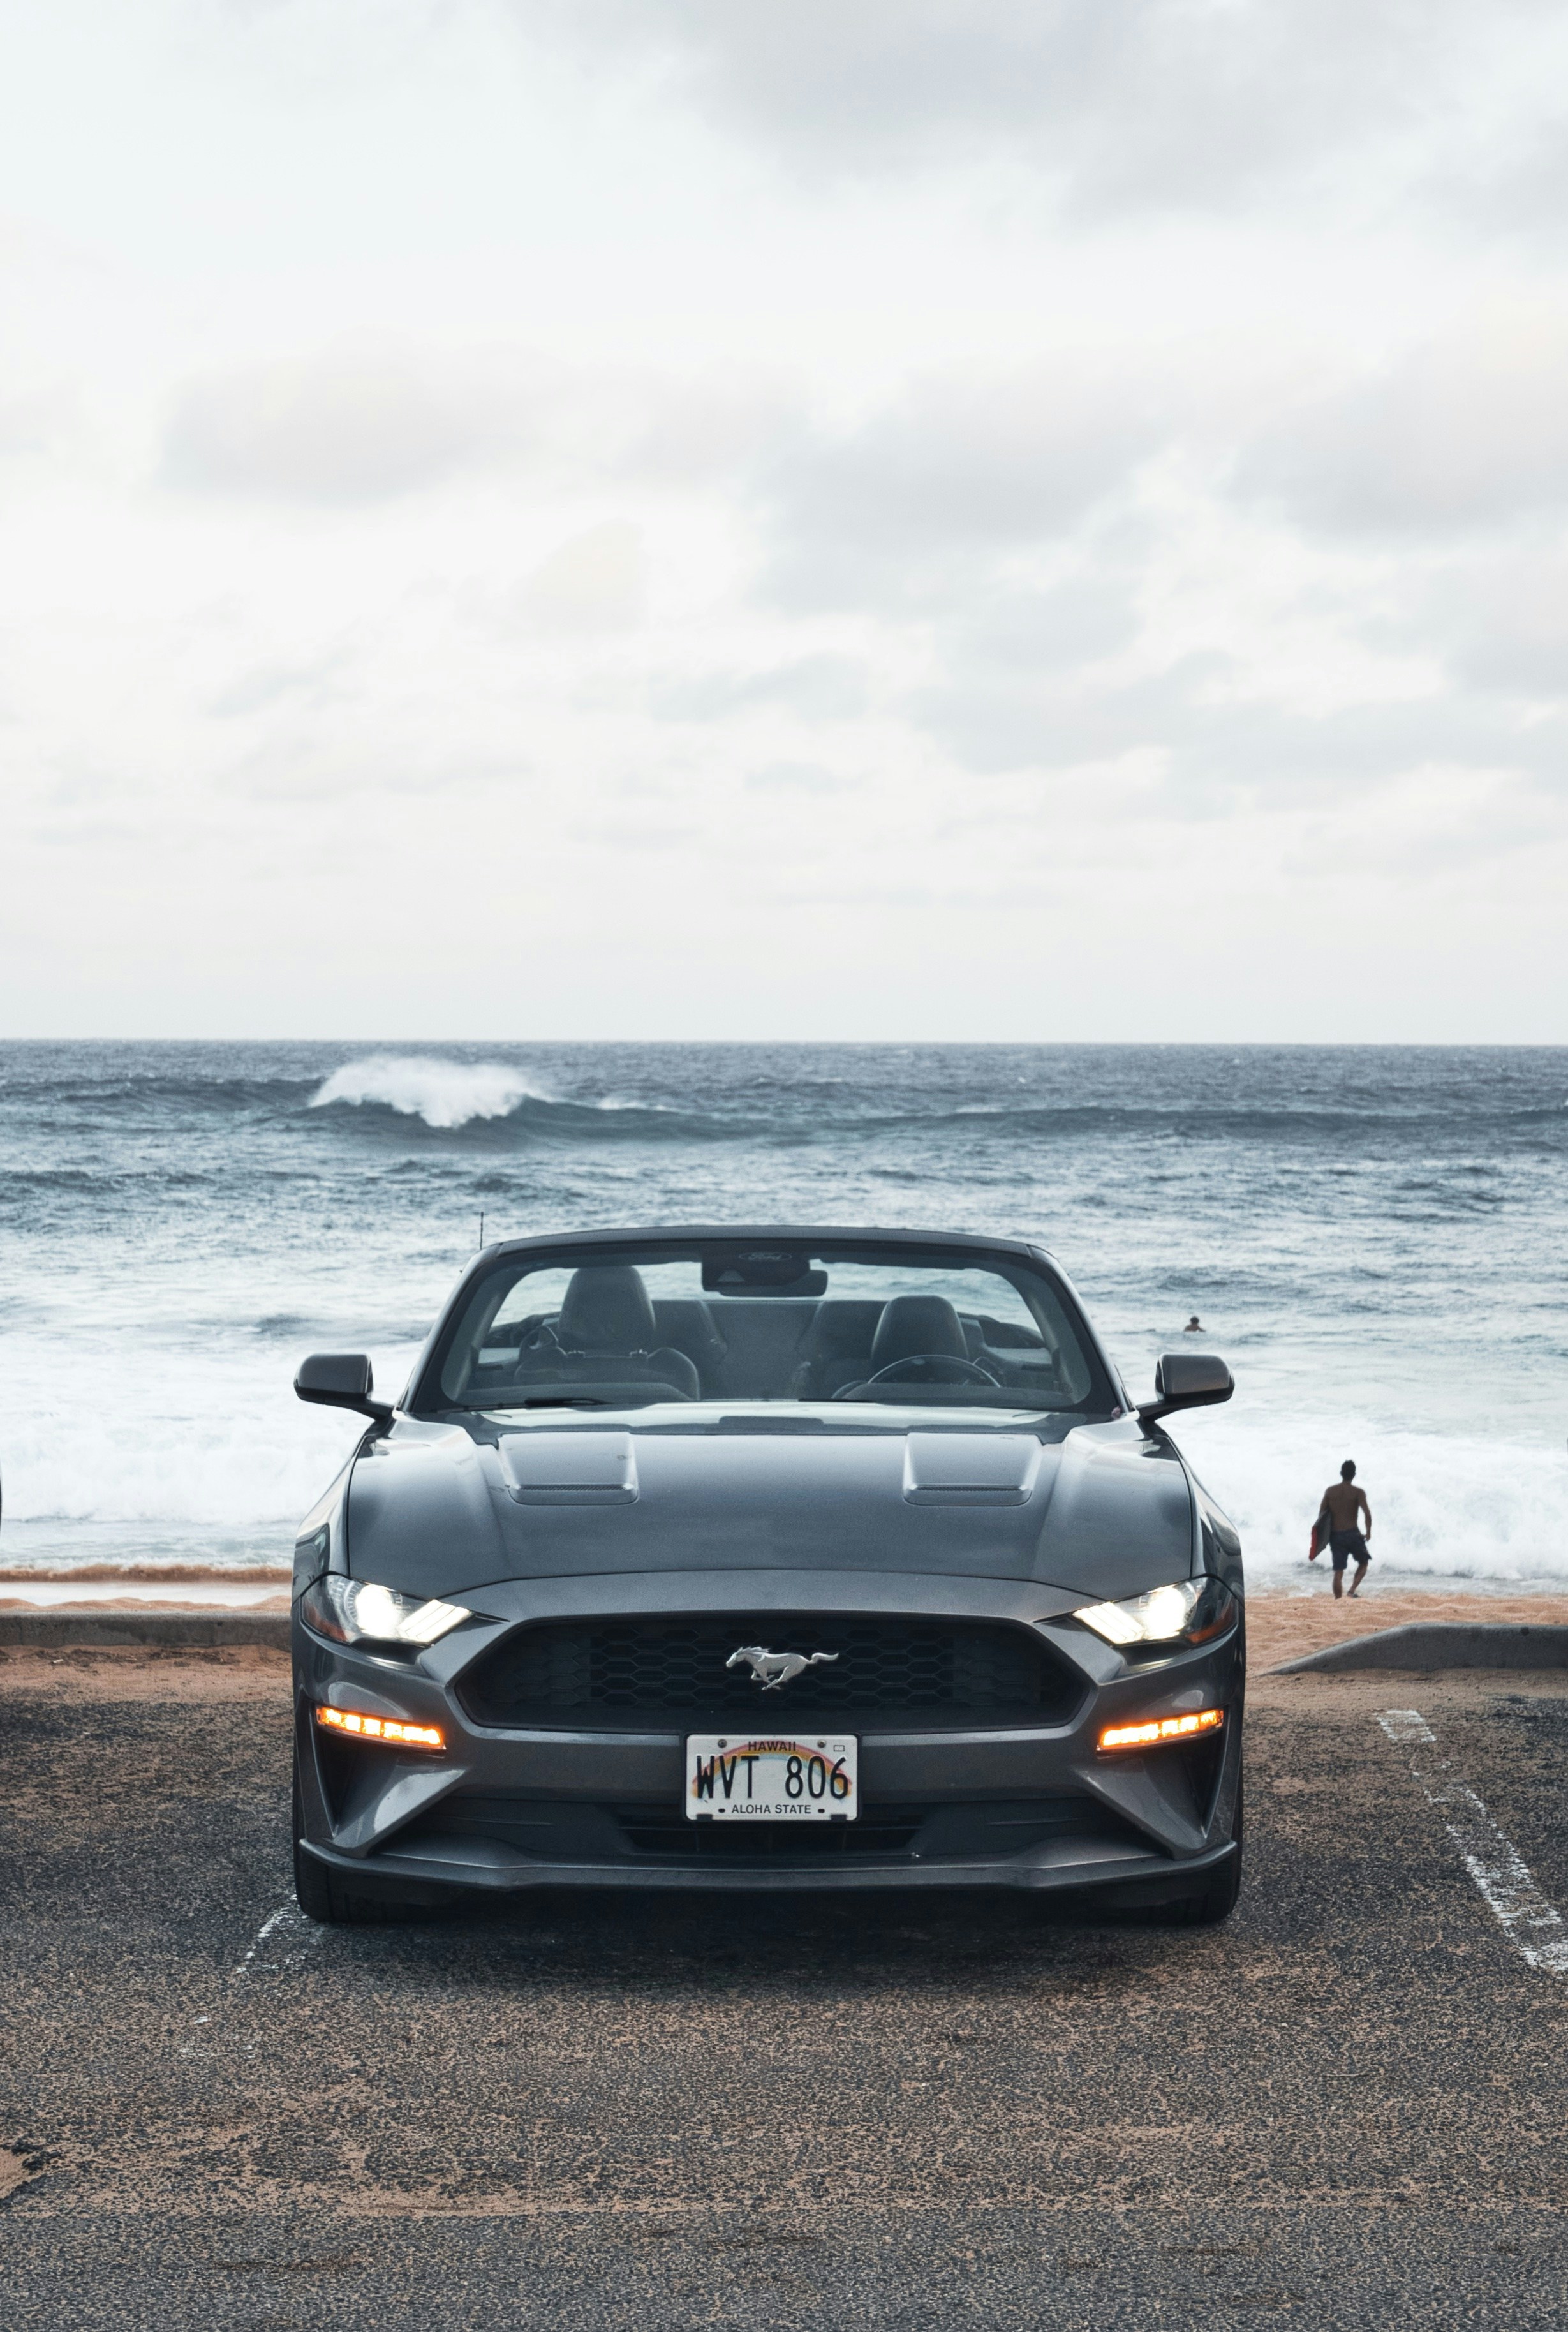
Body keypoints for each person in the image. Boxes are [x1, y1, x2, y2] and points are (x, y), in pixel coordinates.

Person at [1309, 1460, 1372, 1598]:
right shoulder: (1358, 1492)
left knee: (1338, 1571)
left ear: (1341, 1473)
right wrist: (1368, 1533)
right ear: (1354, 1475)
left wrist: (1323, 1538)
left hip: (1336, 1536)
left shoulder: (1330, 1492)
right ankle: (1351, 1591)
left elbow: (1321, 1516)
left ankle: (1338, 1601)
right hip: (1353, 1534)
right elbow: (1367, 1514)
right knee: (1364, 1562)